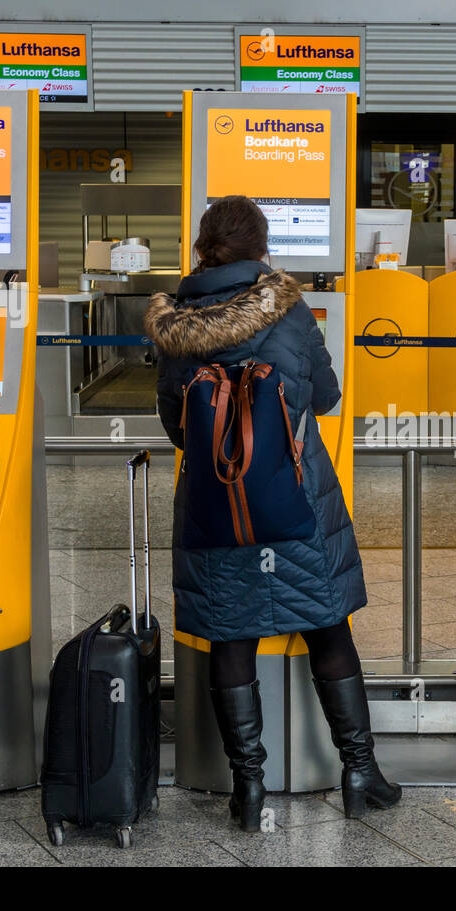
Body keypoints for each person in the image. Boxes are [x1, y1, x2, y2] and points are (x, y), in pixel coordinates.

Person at [144, 195, 401, 831]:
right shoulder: (289, 310)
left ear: (204, 246)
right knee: (327, 626)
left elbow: (177, 424)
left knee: (231, 635)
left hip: (216, 502)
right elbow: (328, 395)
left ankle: (248, 787)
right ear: (262, 247)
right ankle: (360, 772)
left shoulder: (177, 324)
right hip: (296, 495)